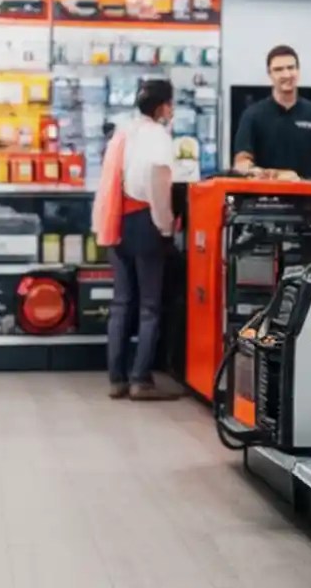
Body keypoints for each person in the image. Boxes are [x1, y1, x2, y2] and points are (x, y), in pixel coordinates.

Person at [94, 79, 180, 401]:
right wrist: (166, 226)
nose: (172, 110)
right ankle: (141, 380)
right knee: (150, 307)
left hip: (118, 221)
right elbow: (159, 184)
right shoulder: (158, 136)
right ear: (161, 107)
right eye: (170, 104)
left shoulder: (124, 132)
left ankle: (116, 379)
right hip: (145, 222)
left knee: (121, 304)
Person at [233, 45, 311, 179]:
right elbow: (241, 162)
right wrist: (264, 174)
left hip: (308, 196)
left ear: (298, 70)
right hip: (264, 196)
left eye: (291, 68)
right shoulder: (252, 115)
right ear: (269, 74)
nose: (286, 74)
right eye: (278, 69)